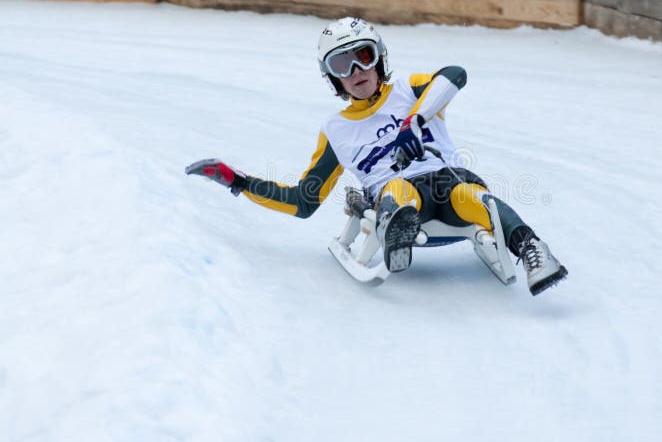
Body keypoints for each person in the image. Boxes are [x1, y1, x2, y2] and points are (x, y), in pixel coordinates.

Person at [186, 17, 568, 296]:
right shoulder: (336, 130)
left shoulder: (409, 89)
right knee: (400, 188)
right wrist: (238, 181)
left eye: (363, 56)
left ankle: (532, 249)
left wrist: (414, 121)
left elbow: (455, 74)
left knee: (469, 194)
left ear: (379, 58)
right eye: (341, 64)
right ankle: (397, 233)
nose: (355, 71)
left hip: (449, 182)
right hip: (396, 193)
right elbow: (303, 202)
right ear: (332, 77)